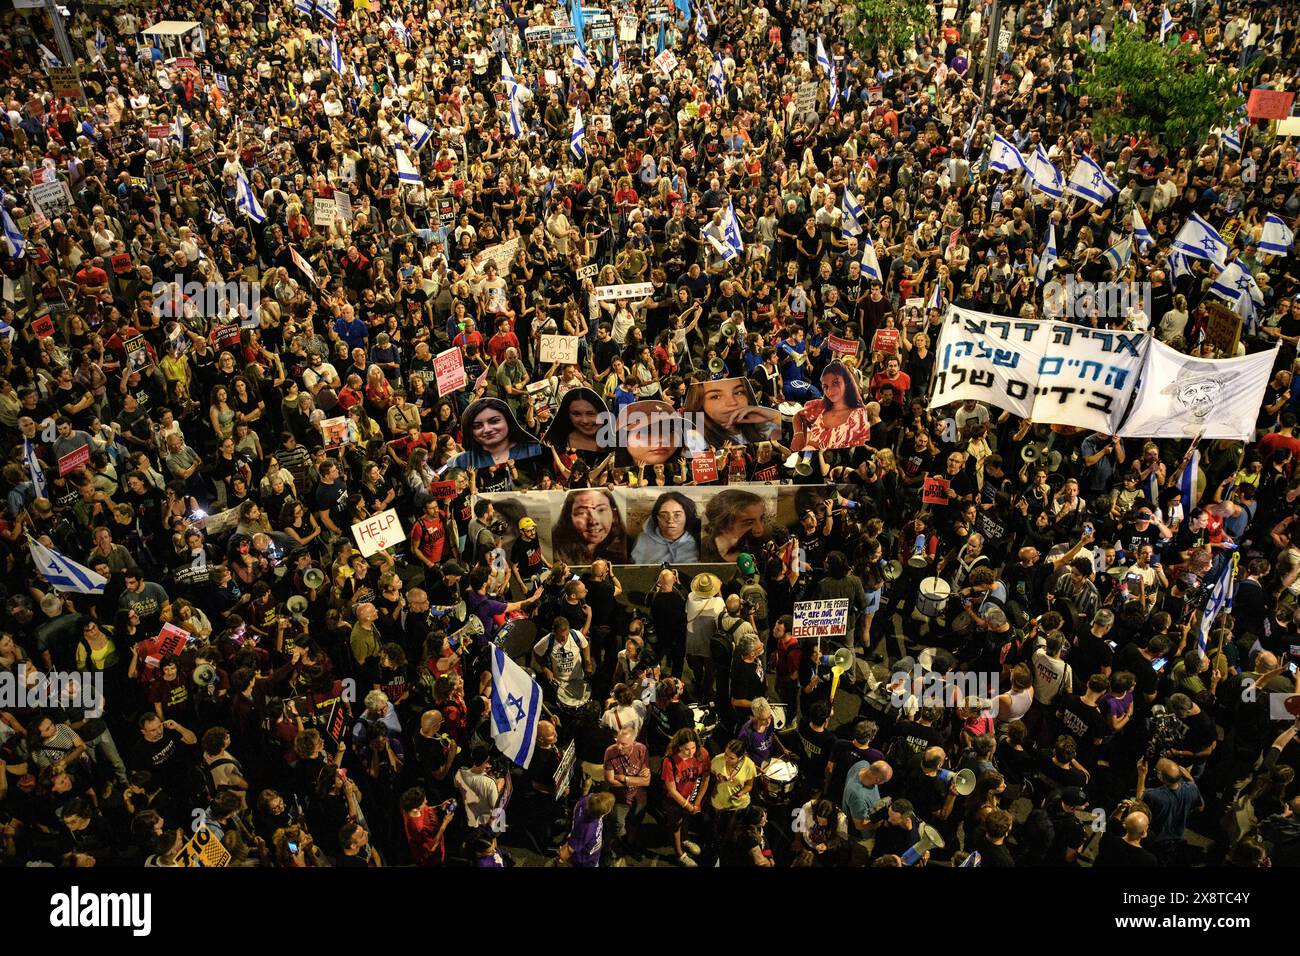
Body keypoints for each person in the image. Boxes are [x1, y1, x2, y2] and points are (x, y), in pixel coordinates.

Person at [791, 360, 874, 452]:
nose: (829, 391)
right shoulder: (818, 406)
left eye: (835, 383)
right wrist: (798, 434)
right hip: (814, 456)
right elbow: (798, 416)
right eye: (825, 386)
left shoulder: (857, 413)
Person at [683, 377, 781, 447]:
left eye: (738, 392)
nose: (732, 403)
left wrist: (773, 416)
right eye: (716, 396)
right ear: (700, 403)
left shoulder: (761, 426)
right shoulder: (697, 438)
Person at [448, 398, 544, 469]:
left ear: (508, 421)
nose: (487, 429)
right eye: (477, 426)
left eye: (494, 421)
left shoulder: (530, 448)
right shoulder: (461, 462)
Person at [551, 488, 628, 565]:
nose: (593, 521)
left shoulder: (624, 550)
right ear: (569, 517)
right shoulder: (556, 554)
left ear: (614, 515)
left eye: (601, 510)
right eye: (582, 513)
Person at [631, 491, 701, 564]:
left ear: (687, 516)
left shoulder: (697, 540)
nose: (670, 520)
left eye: (677, 515)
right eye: (664, 515)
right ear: (657, 517)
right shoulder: (643, 540)